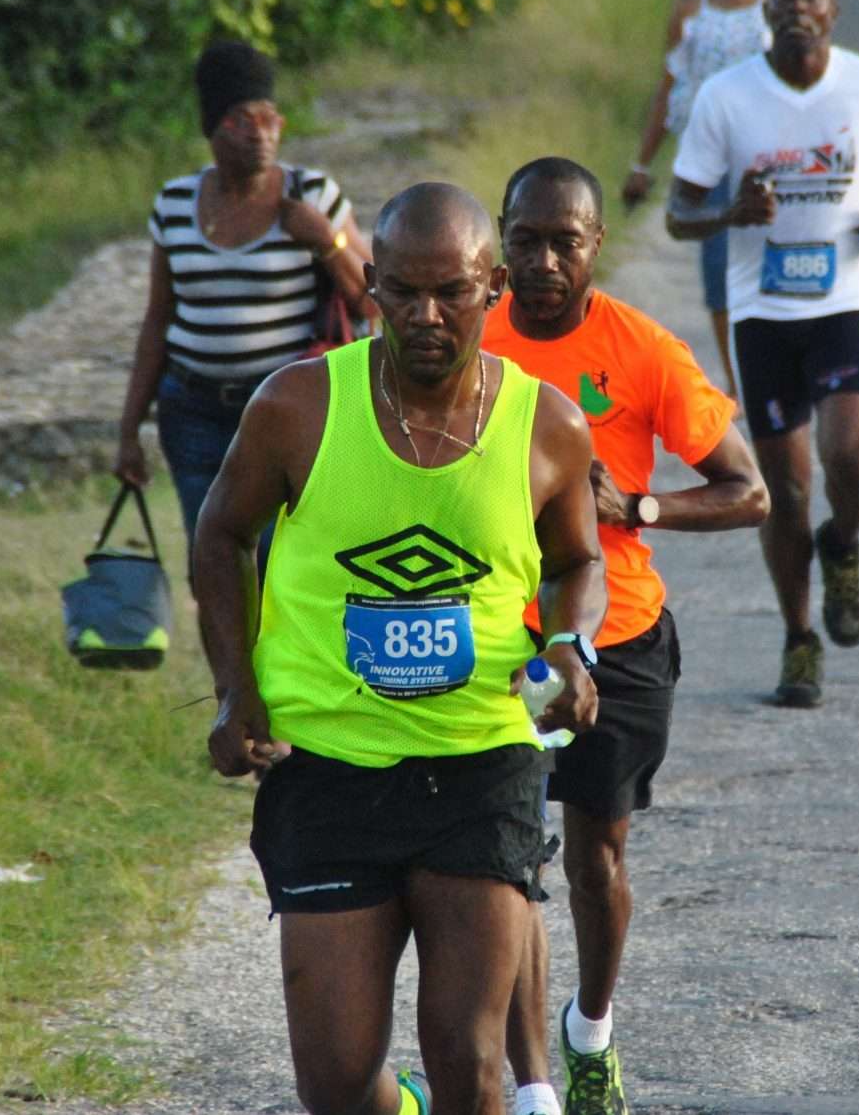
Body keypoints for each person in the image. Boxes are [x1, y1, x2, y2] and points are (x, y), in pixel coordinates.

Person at [192, 182, 606, 1115]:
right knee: (338, 1082)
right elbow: (220, 537)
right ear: (369, 285)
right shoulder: (298, 406)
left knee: (468, 1058)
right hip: (330, 762)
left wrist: (574, 648)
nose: (426, 316)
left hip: (482, 755)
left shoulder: (547, 424)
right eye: (404, 293)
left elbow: (578, 557)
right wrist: (234, 690)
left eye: (451, 292)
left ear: (493, 286)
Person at [484, 158, 768, 1115]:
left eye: (566, 240)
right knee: (506, 863)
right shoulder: (463, 342)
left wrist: (638, 502)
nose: (546, 260)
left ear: (597, 243)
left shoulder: (642, 351)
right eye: (526, 239)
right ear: (501, 240)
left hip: (621, 637)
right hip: (489, 639)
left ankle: (589, 1035)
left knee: (591, 862)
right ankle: (531, 1086)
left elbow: (749, 491)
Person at [666, 0, 859, 710]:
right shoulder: (727, 98)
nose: (798, 7)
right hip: (762, 314)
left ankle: (844, 540)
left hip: (842, 303)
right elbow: (680, 213)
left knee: (851, 456)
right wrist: (728, 216)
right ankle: (799, 636)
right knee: (785, 489)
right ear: (767, 12)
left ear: (834, 12)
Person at [114, 39, 371, 551]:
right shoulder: (175, 204)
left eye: (270, 117)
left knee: (276, 563)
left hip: (281, 407)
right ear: (212, 126)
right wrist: (128, 430)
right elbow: (157, 319)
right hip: (193, 412)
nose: (261, 133)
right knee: (209, 561)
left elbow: (373, 300)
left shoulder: (312, 195)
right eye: (241, 119)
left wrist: (327, 240)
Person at [620, 0, 770, 404]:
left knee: (769, 266)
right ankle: (740, 379)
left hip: (765, 158)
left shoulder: (773, 4)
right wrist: (642, 163)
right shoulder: (690, 11)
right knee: (719, 271)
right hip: (709, 160)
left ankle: (772, 367)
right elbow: (670, 87)